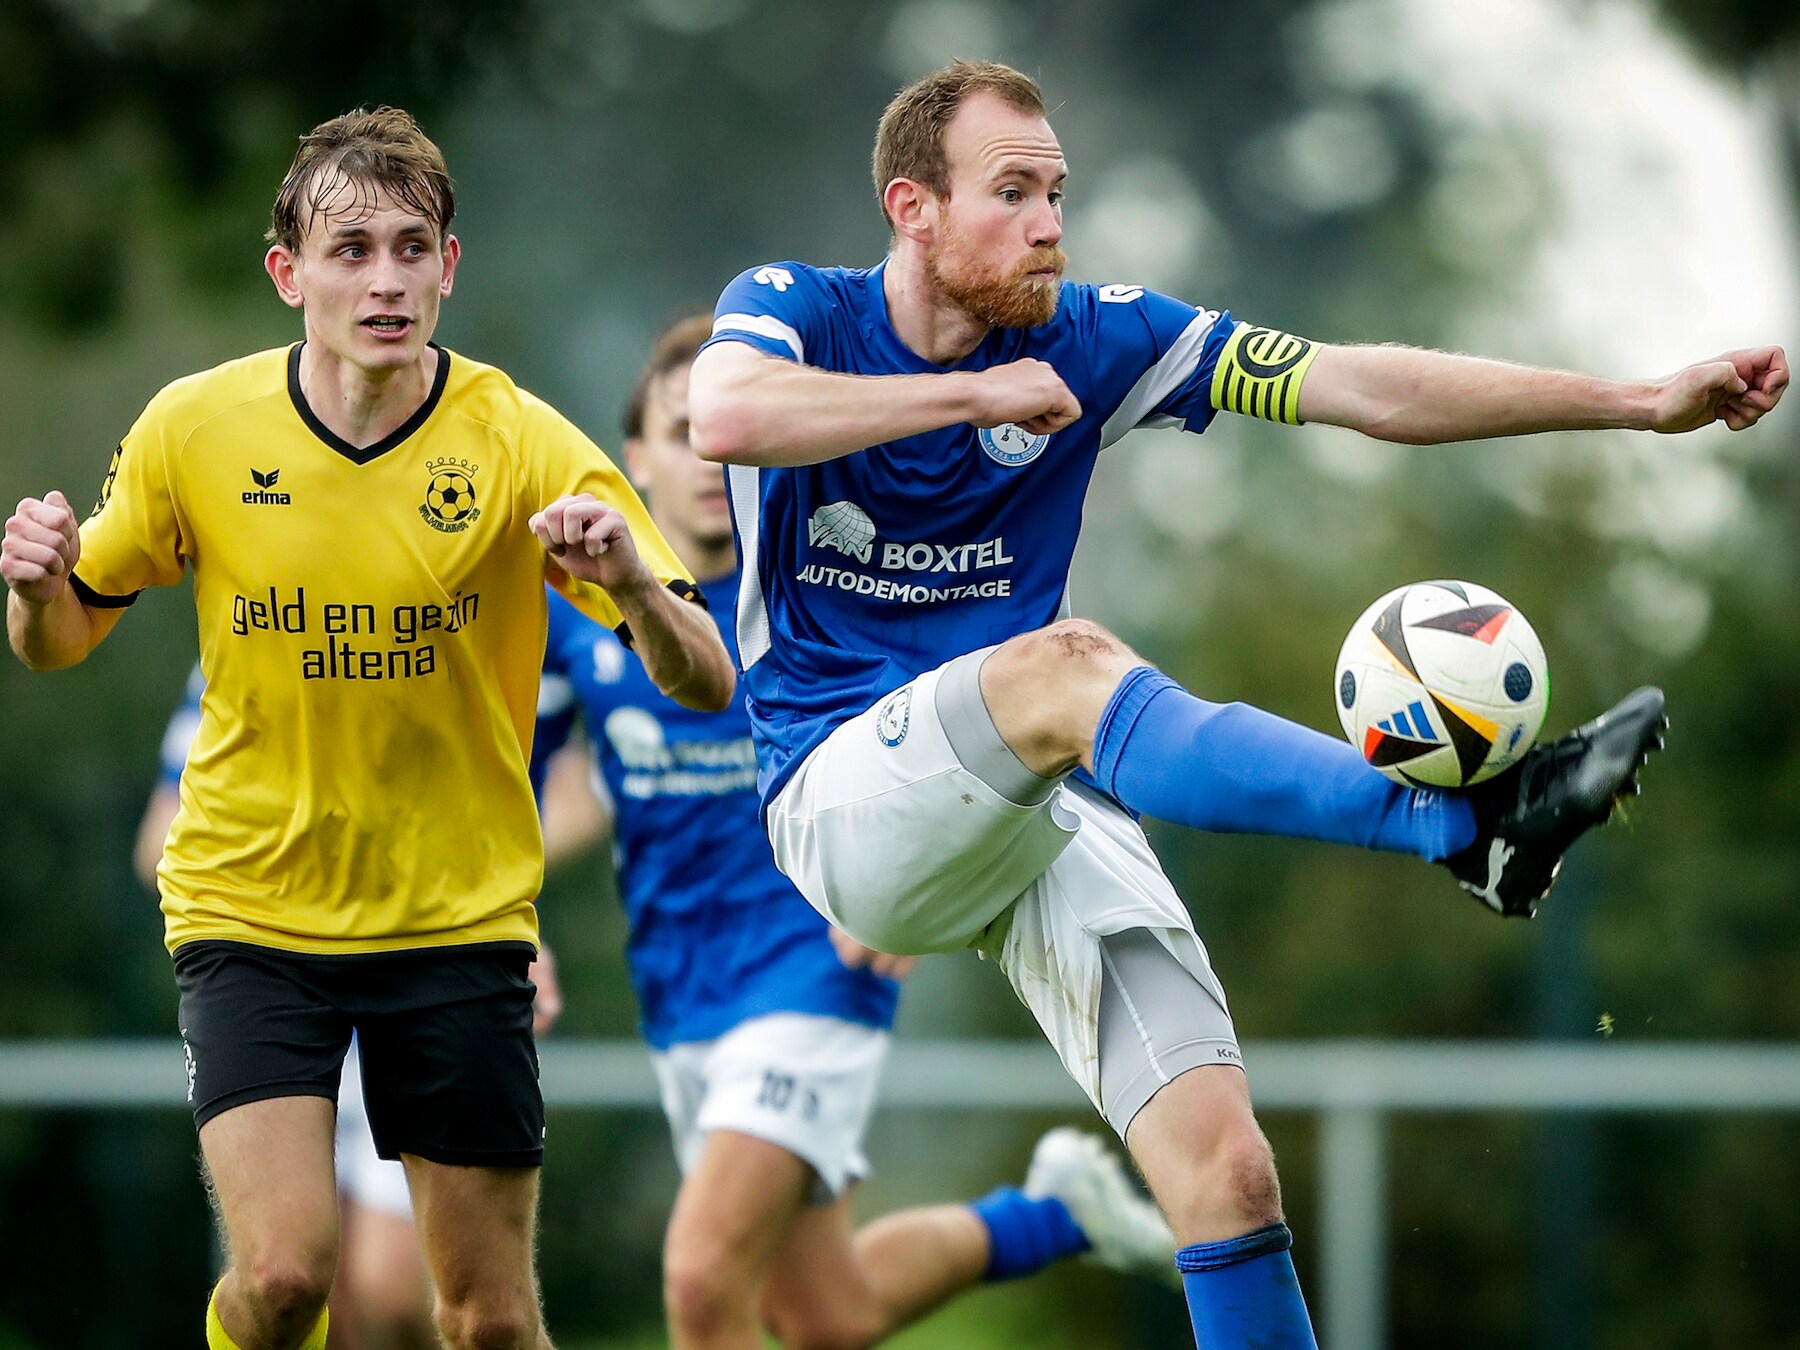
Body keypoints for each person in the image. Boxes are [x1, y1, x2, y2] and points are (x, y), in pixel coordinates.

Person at [685, 61, 1787, 1349]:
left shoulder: (1097, 336)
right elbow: (728, 411)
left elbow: (1355, 383)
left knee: (1225, 1173)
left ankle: (1474, 835)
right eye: (1013, 193)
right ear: (910, 206)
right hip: (838, 799)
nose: (1049, 222)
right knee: (1067, 663)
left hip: (1033, 797)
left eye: (1058, 192)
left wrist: (1637, 402)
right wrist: (976, 395)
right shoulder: (794, 310)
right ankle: (1460, 829)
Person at [2, 107, 733, 1350]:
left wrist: (625, 582)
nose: (385, 280)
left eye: (411, 247)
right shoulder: (195, 427)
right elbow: (66, 634)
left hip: (456, 918)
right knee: (285, 1278)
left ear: (451, 265)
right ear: (289, 273)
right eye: (350, 250)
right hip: (250, 907)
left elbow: (705, 677)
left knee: (487, 1320)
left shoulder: (523, 444)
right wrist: (32, 587)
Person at [533, 313, 1177, 1350]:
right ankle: (1052, 1215)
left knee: (702, 1282)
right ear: (635, 458)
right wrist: (508, 923)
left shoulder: (821, 582)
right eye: (677, 429)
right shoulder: (585, 606)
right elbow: (516, 782)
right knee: (824, 1315)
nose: (706, 456)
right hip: (684, 982)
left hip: (816, 958)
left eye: (717, 428)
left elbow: (972, 714)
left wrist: (925, 879)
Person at [137, 665, 566, 1350]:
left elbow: (597, 775)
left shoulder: (475, 613)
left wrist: (511, 904)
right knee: (288, 1281)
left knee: (426, 1300)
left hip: (437, 969)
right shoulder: (251, 629)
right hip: (279, 981)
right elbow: (158, 836)